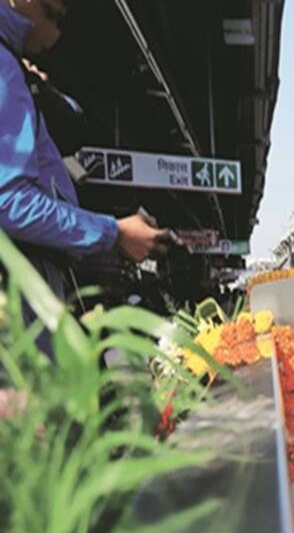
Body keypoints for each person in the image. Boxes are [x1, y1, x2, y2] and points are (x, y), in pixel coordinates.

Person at [0, 0, 170, 310]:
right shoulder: (4, 67)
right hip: (20, 286)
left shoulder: (13, 65)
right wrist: (113, 233)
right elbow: (9, 201)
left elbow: (71, 122)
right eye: (52, 15)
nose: (53, 37)